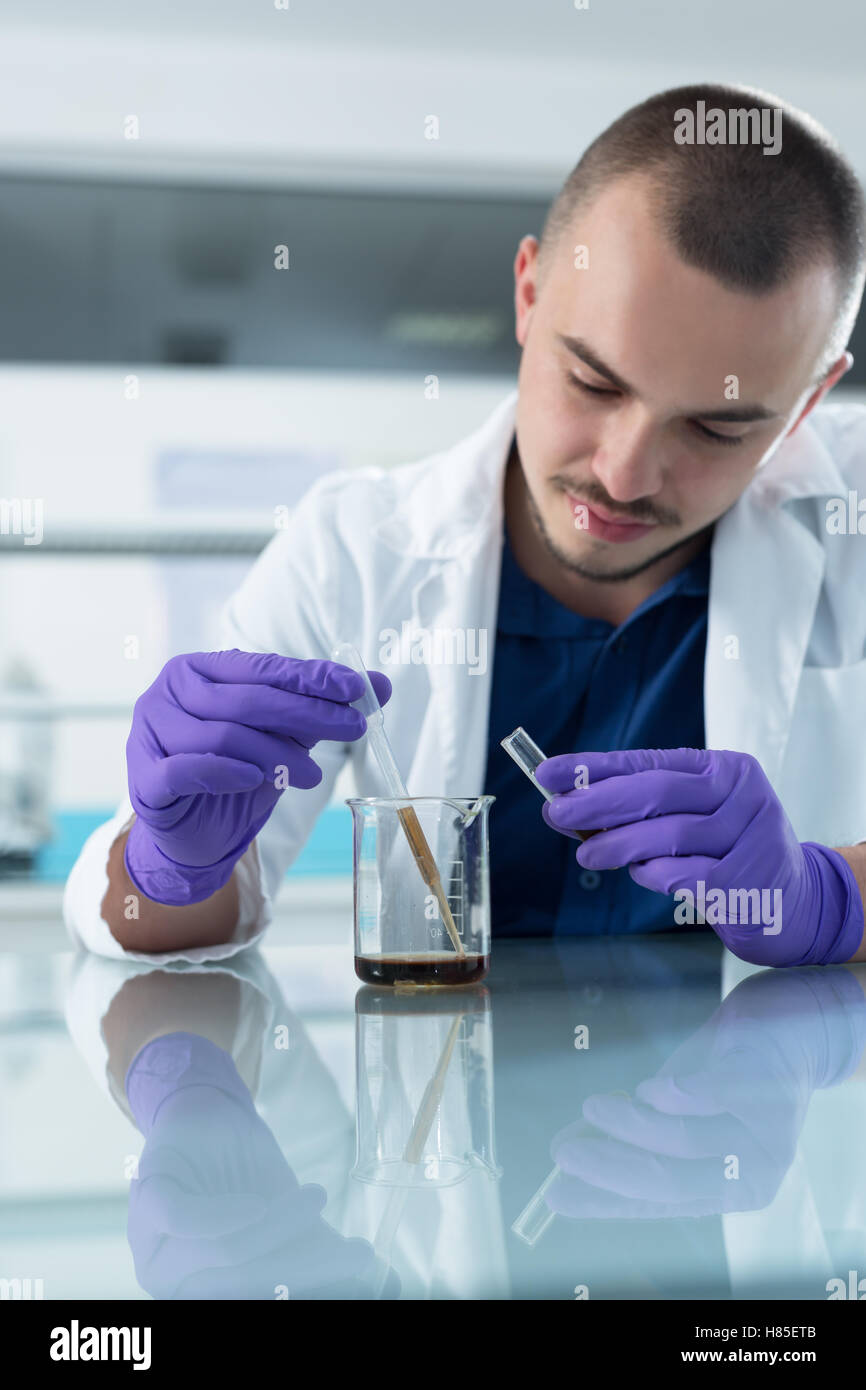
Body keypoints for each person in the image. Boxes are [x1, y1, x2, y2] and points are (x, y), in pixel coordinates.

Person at [65, 82, 866, 967]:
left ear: (806, 406)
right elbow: (146, 930)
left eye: (717, 426)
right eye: (594, 383)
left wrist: (831, 900)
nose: (622, 472)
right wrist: (171, 864)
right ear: (528, 294)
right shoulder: (352, 549)